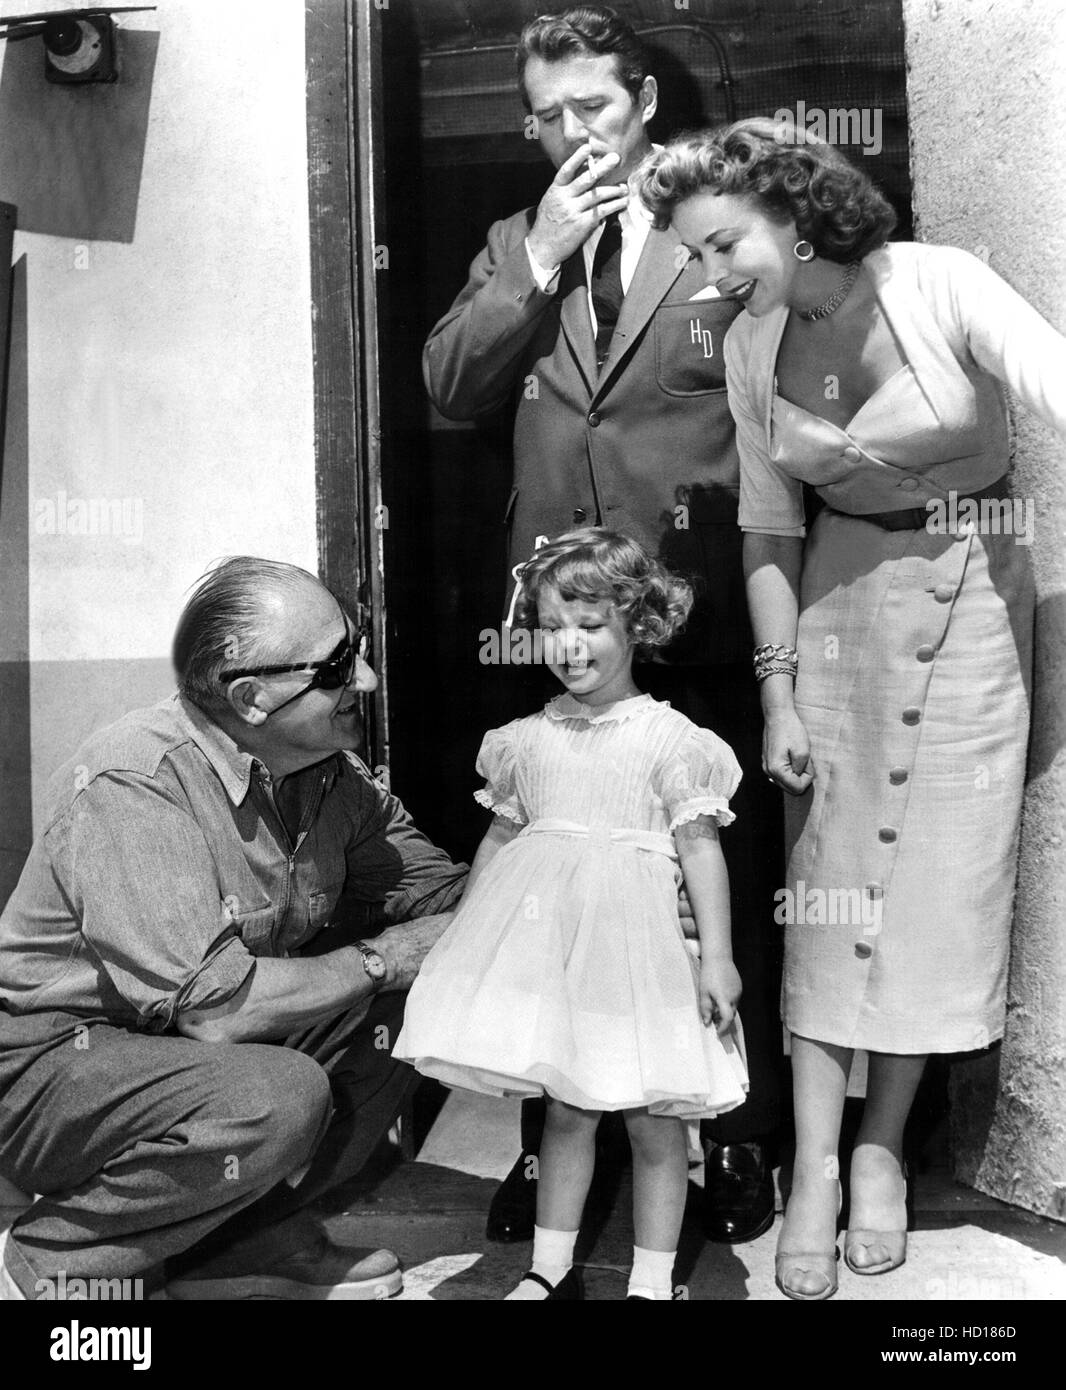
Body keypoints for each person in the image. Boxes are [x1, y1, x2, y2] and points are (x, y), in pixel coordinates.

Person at [640, 118, 1066, 1300]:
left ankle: (882, 1151)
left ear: (791, 206)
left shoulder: (939, 283)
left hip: (978, 601)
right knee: (830, 894)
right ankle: (816, 1169)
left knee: (932, 893)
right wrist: (775, 691)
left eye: (726, 242)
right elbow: (766, 523)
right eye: (695, 257)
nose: (717, 274)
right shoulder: (749, 340)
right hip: (832, 616)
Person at [424, 1, 783, 1249]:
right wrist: (533, 265)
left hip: (698, 618)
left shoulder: (717, 226)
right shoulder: (515, 239)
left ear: (643, 102)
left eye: (591, 105)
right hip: (557, 627)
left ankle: (732, 1138)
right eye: (547, 114)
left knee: (710, 887)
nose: (570, 131)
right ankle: (553, 1146)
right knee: (561, 888)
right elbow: (449, 384)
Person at [0, 557, 467, 1301]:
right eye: (340, 665)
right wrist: (384, 959)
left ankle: (246, 1248)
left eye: (360, 648)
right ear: (252, 698)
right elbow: (221, 1011)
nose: (369, 680)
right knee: (279, 1093)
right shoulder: (138, 780)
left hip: (184, 1056)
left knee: (429, 1000)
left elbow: (445, 896)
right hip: (53, 1068)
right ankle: (48, 1264)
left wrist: (583, 878)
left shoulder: (329, 776)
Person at [394, 529, 748, 1300]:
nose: (569, 645)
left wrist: (717, 957)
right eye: (553, 627)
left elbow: (701, 854)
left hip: (641, 954)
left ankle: (652, 1283)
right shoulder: (526, 741)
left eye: (589, 626)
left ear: (638, 626)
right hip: (554, 955)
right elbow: (499, 839)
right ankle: (549, 1270)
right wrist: (464, 933)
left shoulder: (673, 740)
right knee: (566, 1112)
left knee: (656, 1122)